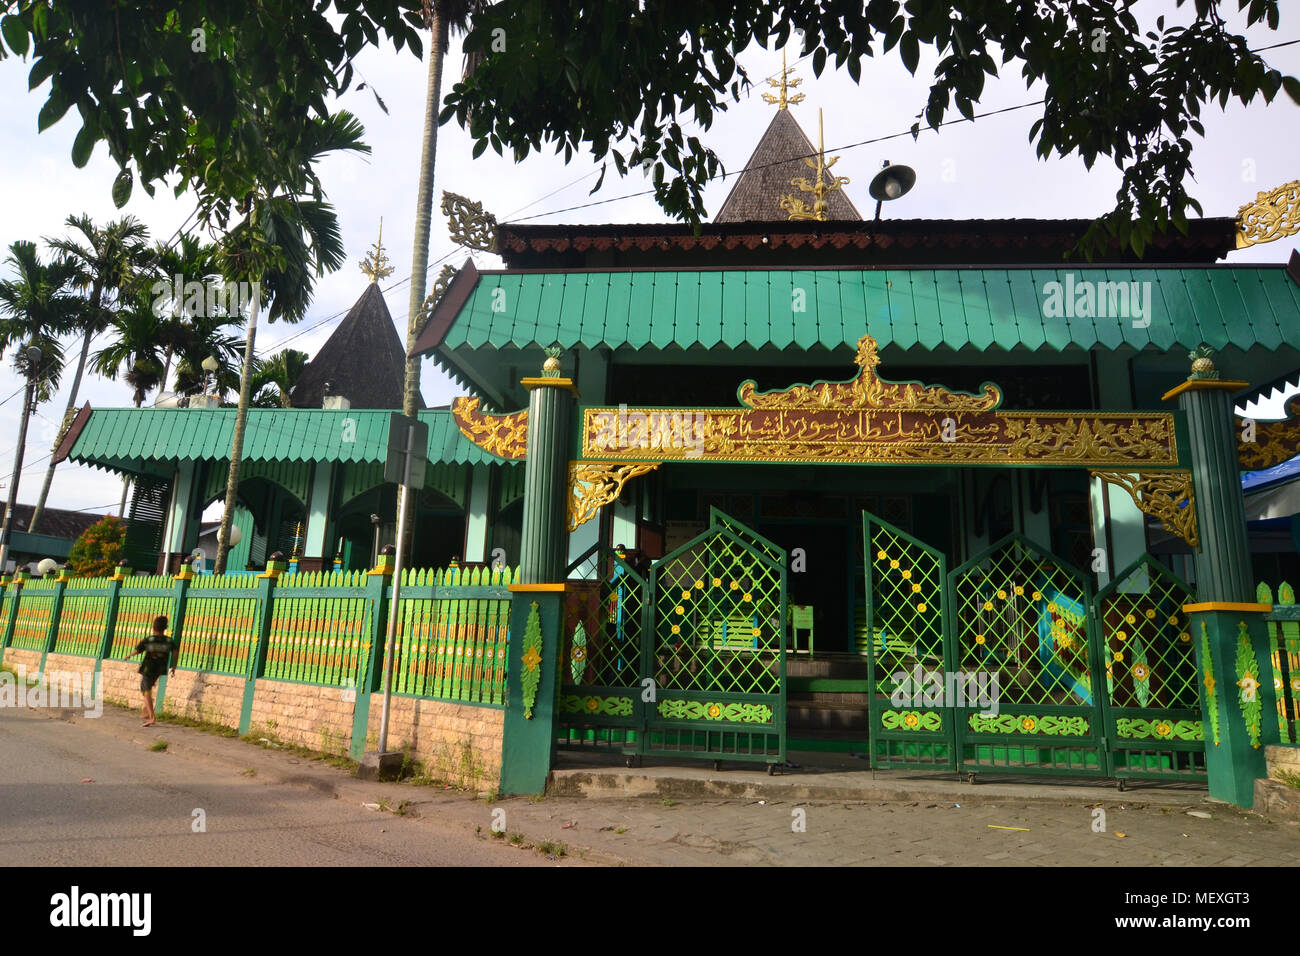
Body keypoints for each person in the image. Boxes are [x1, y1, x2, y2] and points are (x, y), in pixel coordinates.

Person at [128, 615, 176, 727]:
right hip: (160, 668)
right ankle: (147, 708)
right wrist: (174, 666)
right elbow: (175, 653)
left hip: (148, 668)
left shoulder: (149, 639)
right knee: (148, 687)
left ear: (154, 627)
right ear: (165, 627)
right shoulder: (169, 641)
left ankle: (152, 717)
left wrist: (129, 655)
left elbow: (138, 650)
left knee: (145, 688)